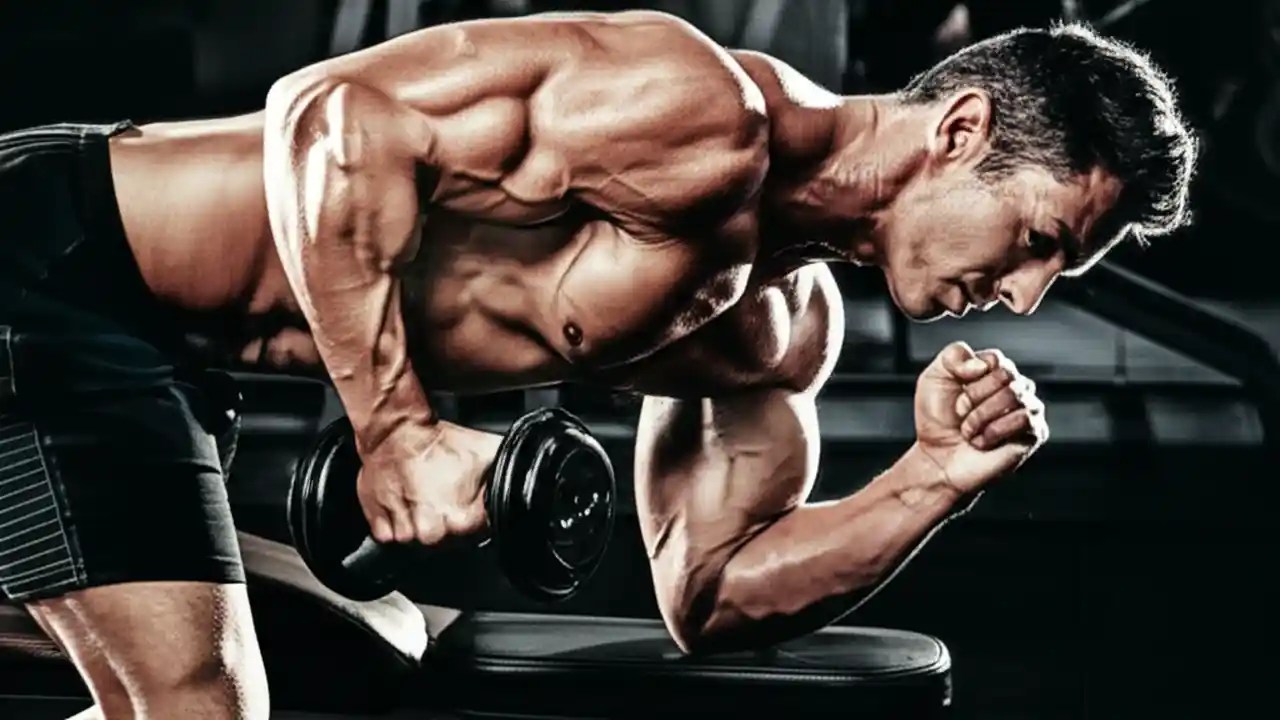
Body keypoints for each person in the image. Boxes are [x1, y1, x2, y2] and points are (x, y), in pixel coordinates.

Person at [0, 10, 1194, 719]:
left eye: (1058, 276)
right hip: (55, 254)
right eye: (1038, 240)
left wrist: (928, 477)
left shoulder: (779, 334)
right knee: (199, 705)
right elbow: (331, 117)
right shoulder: (694, 109)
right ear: (961, 128)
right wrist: (397, 428)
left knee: (339, 651)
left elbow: (713, 597)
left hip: (159, 363)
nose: (1027, 295)